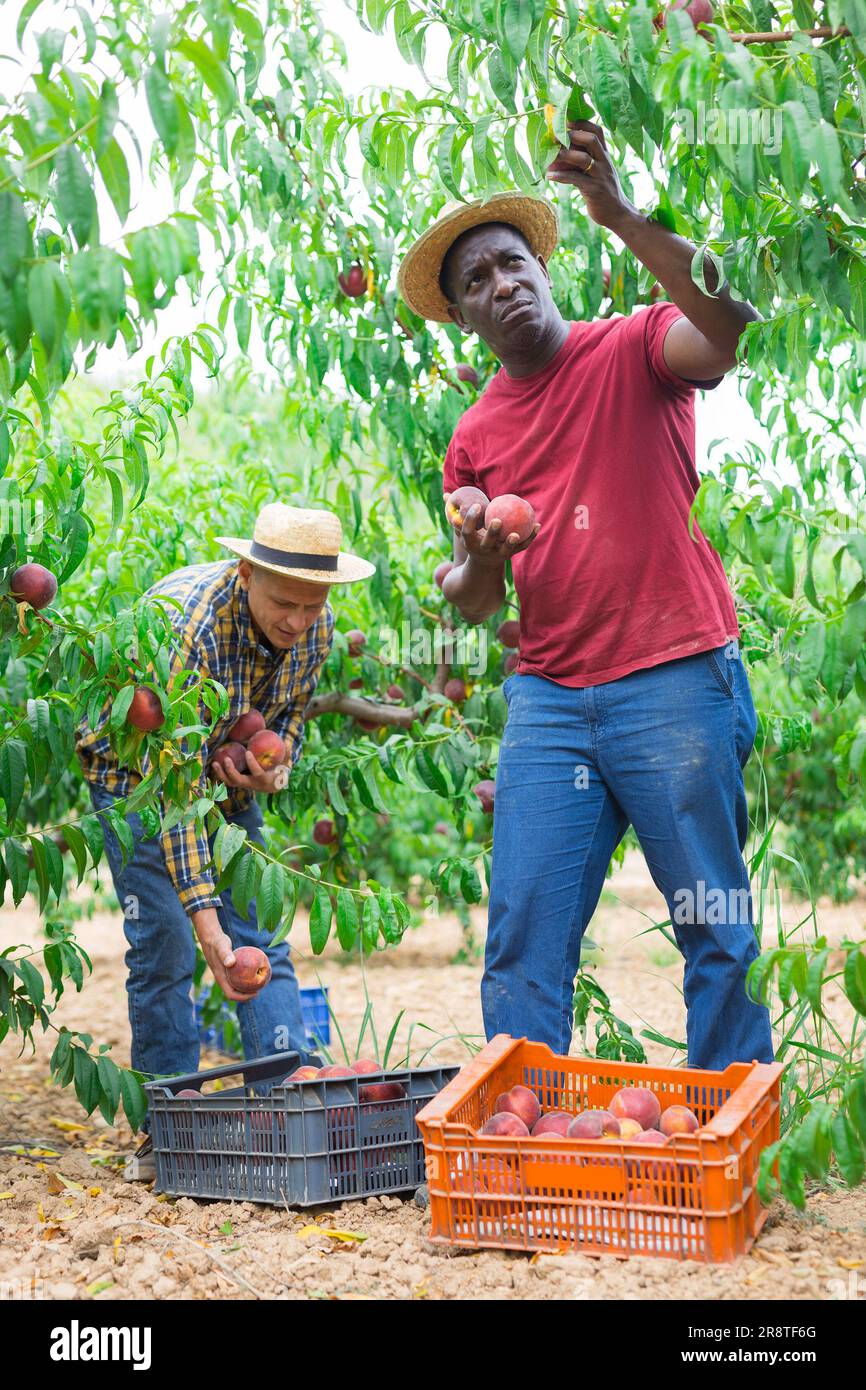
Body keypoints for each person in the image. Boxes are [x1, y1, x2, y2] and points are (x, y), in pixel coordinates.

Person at [396, 122, 774, 1070]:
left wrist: (620, 214)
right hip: (552, 702)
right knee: (523, 936)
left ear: (543, 267)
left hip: (675, 678)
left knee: (713, 929)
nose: (501, 285)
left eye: (512, 263)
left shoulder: (635, 347)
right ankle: (522, 1145)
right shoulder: (475, 434)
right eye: (475, 282)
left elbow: (730, 324)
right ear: (463, 317)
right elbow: (474, 599)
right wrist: (477, 550)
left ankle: (734, 1128)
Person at [76, 503, 375, 1170]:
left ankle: (287, 1109)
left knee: (261, 935)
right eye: (285, 604)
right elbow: (176, 793)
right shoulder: (193, 628)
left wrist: (271, 769)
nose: (299, 621)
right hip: (135, 775)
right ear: (246, 573)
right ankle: (171, 1128)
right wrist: (207, 926)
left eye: (313, 605)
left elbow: (287, 719)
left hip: (218, 777)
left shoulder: (315, 631)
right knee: (166, 942)